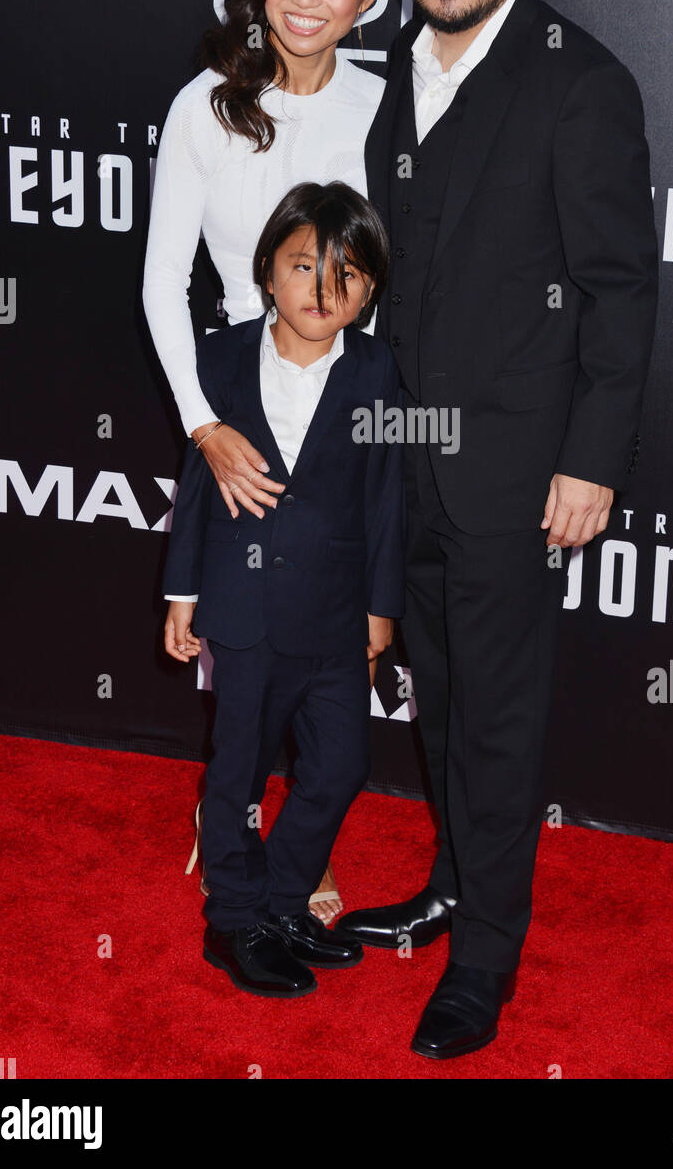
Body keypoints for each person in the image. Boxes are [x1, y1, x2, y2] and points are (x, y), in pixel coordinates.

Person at [336, 0, 659, 1058]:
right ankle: (450, 886)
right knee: (441, 697)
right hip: (405, 459)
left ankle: (483, 963)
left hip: (521, 470)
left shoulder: (581, 80)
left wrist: (590, 459)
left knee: (496, 717)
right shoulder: (393, 76)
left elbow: (620, 287)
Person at [143, 0, 388, 923]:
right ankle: (226, 818)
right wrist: (204, 425)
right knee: (246, 647)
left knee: (330, 642)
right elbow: (163, 283)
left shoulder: (389, 102)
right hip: (239, 395)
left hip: (349, 396)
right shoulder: (204, 102)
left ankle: (293, 841)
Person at [161, 181, 405, 997]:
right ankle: (234, 922)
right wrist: (183, 593)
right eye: (304, 266)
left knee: (339, 766)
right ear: (268, 270)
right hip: (241, 606)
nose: (323, 290)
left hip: (336, 616)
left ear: (370, 293)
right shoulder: (222, 356)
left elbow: (385, 498)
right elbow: (196, 486)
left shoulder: (379, 372)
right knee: (238, 773)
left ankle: (280, 900)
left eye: (348, 275)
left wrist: (380, 610)